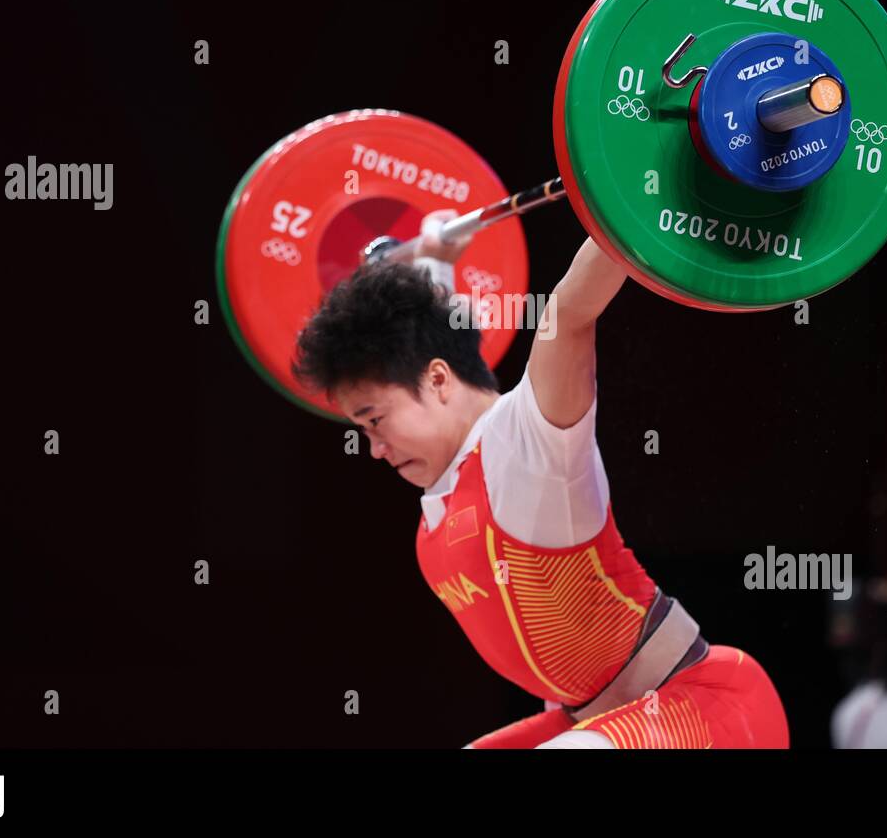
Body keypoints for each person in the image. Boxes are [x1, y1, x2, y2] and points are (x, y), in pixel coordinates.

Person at [292, 211, 789, 748]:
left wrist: (638, 197)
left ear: (436, 379)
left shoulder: (524, 444)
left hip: (707, 709)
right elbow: (449, 361)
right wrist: (436, 262)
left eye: (373, 420)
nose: (374, 448)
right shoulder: (453, 480)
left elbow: (570, 313)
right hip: (596, 723)